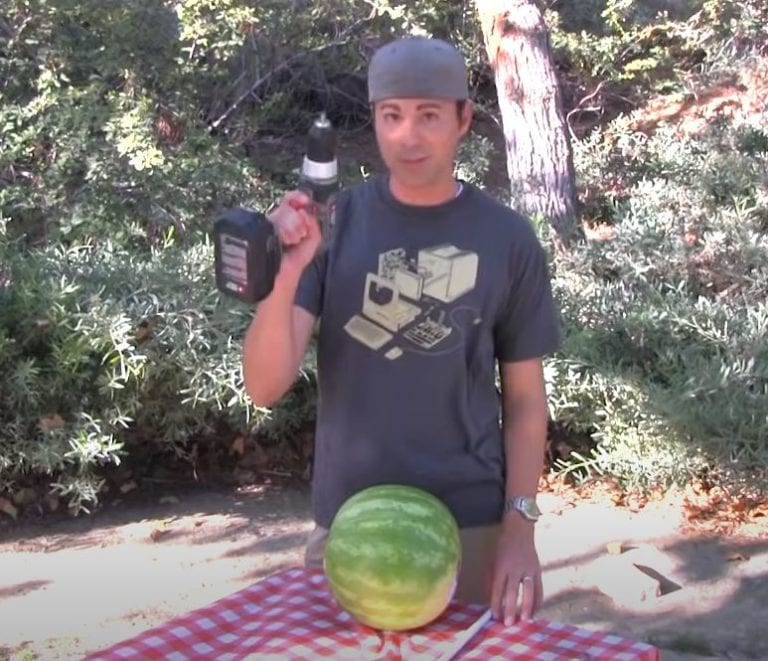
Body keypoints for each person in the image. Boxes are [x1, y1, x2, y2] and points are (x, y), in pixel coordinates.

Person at [242, 36, 561, 626]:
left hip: (471, 531)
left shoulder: (508, 239)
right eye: (392, 116)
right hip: (350, 528)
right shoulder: (334, 224)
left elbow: (524, 402)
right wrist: (284, 272)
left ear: (464, 119)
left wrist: (521, 528)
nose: (408, 135)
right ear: (376, 120)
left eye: (428, 115)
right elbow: (264, 386)